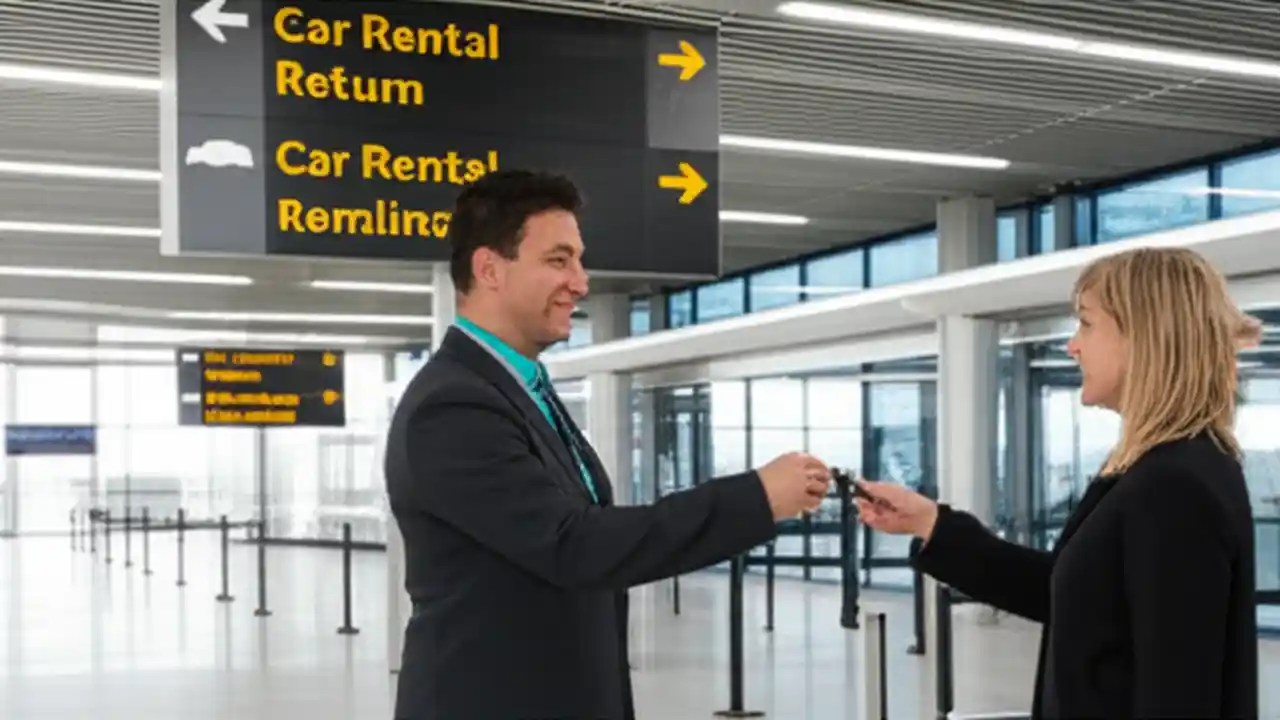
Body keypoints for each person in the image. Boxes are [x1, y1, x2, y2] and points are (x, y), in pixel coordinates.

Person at [384, 169, 832, 720]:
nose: (580, 281)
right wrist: (756, 498)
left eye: (578, 260)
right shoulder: (452, 407)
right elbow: (575, 545)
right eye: (558, 259)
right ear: (489, 269)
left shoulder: (521, 389)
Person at [855, 247, 1260, 719]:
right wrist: (931, 524)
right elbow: (1072, 595)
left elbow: (1177, 694)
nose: (1073, 345)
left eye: (1087, 324)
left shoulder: (1174, 486)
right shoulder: (1156, 469)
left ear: (1145, 337)